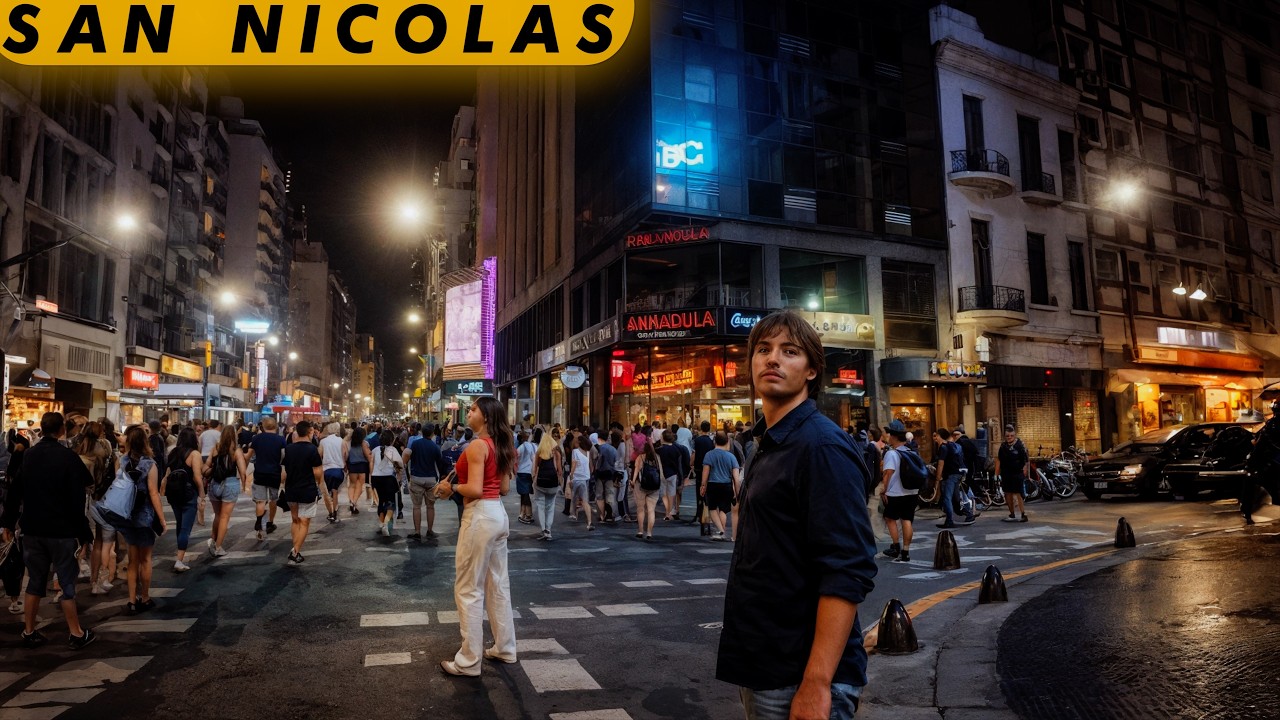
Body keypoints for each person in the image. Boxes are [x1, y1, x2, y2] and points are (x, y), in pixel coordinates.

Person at [718, 311, 876, 719]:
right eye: (764, 350)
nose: (773, 359)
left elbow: (847, 570)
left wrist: (817, 683)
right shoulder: (764, 445)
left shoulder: (821, 447)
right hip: (765, 667)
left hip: (799, 677)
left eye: (789, 352)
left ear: (811, 371)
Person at [434, 397, 517, 677]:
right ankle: (504, 647)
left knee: (468, 589)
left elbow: (476, 489)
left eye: (472, 410)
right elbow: (503, 488)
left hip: (479, 516)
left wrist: (452, 489)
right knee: (498, 585)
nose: (468, 413)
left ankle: (468, 661)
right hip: (498, 515)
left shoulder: (478, 445)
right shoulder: (503, 445)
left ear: (486, 417)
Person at [1, 413, 98, 649]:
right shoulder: (68, 457)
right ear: (62, 430)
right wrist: (84, 534)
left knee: (35, 581)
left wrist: (7, 522)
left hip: (32, 528)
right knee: (66, 583)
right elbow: (78, 498)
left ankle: (29, 629)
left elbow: (15, 492)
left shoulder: (29, 455)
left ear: (42, 429)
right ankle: (75, 633)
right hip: (62, 531)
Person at [115, 426, 166, 613]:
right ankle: (145, 597)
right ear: (145, 442)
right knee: (146, 560)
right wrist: (161, 519)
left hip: (127, 515)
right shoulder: (149, 464)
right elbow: (154, 493)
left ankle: (131, 600)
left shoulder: (121, 461)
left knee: (132, 561)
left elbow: (118, 486)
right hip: (144, 516)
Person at [160, 428, 204, 572]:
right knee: (185, 528)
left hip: (173, 494)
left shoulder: (173, 452)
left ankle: (179, 555)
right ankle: (179, 560)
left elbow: (167, 473)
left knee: (180, 524)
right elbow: (197, 477)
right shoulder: (194, 454)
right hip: (188, 493)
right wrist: (202, 495)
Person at [281, 420, 324, 564]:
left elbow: (284, 472)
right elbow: (318, 472)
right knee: (304, 522)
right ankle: (295, 551)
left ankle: (295, 549)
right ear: (309, 432)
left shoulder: (289, 448)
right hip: (307, 489)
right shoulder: (312, 449)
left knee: (295, 520)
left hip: (291, 488)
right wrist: (317, 484)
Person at [205, 425, 248, 556]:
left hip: (214, 484)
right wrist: (244, 485)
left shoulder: (215, 448)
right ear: (234, 435)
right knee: (225, 517)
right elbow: (243, 471)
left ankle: (213, 540)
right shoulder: (236, 451)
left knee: (217, 515)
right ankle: (218, 547)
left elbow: (206, 466)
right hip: (230, 483)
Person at [403, 423, 449, 540]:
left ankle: (417, 532)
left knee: (416, 506)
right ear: (432, 434)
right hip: (430, 479)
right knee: (430, 506)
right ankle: (429, 530)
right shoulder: (435, 447)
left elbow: (407, 457)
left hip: (416, 477)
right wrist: (442, 477)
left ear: (422, 432)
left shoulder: (415, 444)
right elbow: (440, 464)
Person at [879, 428, 917, 562]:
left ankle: (895, 547)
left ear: (894, 437)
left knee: (889, 518)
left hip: (895, 492)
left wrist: (884, 490)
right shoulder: (911, 451)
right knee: (906, 520)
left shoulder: (891, 453)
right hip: (912, 491)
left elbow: (888, 473)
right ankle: (905, 551)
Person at [247, 417, 288, 539]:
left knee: (260, 501)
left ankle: (259, 523)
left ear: (263, 426)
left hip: (259, 472)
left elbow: (249, 455)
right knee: (273, 499)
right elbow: (283, 456)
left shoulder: (256, 439)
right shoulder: (281, 440)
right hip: (274, 473)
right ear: (275, 427)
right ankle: (270, 523)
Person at [700, 431, 740, 541]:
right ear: (727, 442)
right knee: (723, 510)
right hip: (726, 485)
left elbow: (705, 472)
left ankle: (721, 530)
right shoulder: (731, 457)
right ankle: (722, 532)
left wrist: (703, 486)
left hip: (713, 484)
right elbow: (736, 478)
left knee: (712, 508)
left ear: (714, 441)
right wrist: (737, 493)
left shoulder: (709, 455)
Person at [932, 428, 973, 529]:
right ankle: (969, 514)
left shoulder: (943, 447)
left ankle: (949, 520)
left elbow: (941, 464)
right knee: (955, 496)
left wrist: (937, 478)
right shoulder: (953, 445)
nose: (935, 438)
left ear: (940, 436)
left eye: (936, 436)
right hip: (958, 473)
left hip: (950, 475)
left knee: (947, 498)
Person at [370, 430, 403, 536]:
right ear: (391, 440)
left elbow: (371, 463)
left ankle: (381, 523)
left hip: (376, 478)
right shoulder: (393, 450)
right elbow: (400, 465)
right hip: (389, 479)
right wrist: (399, 478)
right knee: (390, 503)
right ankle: (385, 524)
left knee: (381, 501)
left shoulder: (375, 450)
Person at [995, 424, 1030, 523]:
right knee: (1008, 493)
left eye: (1011, 436)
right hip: (1006, 473)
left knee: (1018, 493)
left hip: (1017, 472)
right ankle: (1012, 514)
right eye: (1007, 436)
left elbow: (1026, 459)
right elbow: (999, 460)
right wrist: (996, 474)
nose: (1009, 438)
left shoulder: (1020, 444)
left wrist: (1025, 470)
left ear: (1014, 435)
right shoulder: (1003, 446)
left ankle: (1023, 514)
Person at [532, 428, 562, 540]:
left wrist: (534, 478)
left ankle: (543, 529)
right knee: (550, 506)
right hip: (552, 483)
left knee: (540, 505)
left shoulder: (539, 453)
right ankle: (548, 530)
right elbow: (559, 470)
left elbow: (535, 469)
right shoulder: (556, 452)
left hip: (541, 482)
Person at [631, 439, 664, 541]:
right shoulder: (657, 458)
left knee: (640, 509)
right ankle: (649, 532)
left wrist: (632, 481)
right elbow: (661, 474)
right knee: (651, 510)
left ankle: (640, 531)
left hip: (641, 486)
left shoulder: (640, 457)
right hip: (654, 487)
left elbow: (636, 470)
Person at [656, 430, 689, 521]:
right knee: (671, 494)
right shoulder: (677, 450)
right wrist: (681, 477)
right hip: (673, 474)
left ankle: (667, 512)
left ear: (663, 438)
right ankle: (671, 512)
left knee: (663, 494)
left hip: (663, 473)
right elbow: (679, 465)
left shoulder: (660, 450)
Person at [318, 422, 347, 524]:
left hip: (326, 470)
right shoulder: (342, 441)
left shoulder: (323, 442)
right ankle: (335, 512)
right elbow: (345, 455)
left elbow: (319, 455)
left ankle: (330, 512)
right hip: (338, 469)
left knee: (327, 493)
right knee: (335, 491)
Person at [692, 421, 716, 535]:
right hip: (709, 469)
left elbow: (694, 454)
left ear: (701, 429)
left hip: (698, 469)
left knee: (699, 493)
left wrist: (690, 464)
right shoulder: (711, 442)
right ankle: (708, 516)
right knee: (708, 493)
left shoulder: (697, 440)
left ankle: (699, 513)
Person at [568, 435, 594, 530]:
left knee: (574, 496)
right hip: (585, 478)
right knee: (585, 501)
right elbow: (591, 467)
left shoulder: (575, 452)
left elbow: (573, 465)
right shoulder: (588, 453)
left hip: (576, 477)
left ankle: (573, 513)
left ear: (578, 442)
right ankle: (589, 522)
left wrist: (571, 476)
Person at [346, 426, 373, 516]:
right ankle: (354, 501)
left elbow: (346, 455)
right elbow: (369, 456)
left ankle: (351, 501)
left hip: (352, 466)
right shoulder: (364, 443)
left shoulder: (349, 443)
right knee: (360, 486)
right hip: (362, 466)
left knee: (352, 485)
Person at [514, 430, 537, 525]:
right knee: (525, 493)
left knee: (524, 493)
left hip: (521, 472)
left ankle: (528, 514)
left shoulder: (521, 447)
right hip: (530, 472)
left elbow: (515, 459)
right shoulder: (534, 446)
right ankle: (522, 513)